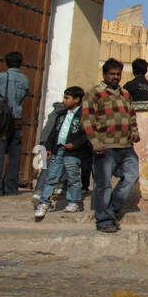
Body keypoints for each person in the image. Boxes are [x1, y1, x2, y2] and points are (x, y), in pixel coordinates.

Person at [82, 58, 141, 233]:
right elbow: (87, 120)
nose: (115, 77)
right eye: (112, 74)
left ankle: (111, 209)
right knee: (103, 183)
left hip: (125, 145)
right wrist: (95, 142)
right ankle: (104, 220)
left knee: (131, 175)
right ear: (105, 74)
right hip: (105, 145)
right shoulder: (94, 93)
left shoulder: (125, 94)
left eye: (118, 74)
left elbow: (131, 116)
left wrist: (134, 132)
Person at [34, 86, 92, 220]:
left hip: (73, 152)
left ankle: (74, 201)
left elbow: (87, 134)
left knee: (73, 177)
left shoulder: (84, 116)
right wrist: (48, 147)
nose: (64, 101)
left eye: (67, 98)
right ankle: (44, 202)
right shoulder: (62, 114)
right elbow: (54, 132)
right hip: (58, 149)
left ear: (77, 100)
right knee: (51, 176)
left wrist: (75, 144)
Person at [0, 50, 30, 197]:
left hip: (2, 120)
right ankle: (10, 187)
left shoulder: (1, 77)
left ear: (7, 62)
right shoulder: (25, 79)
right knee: (14, 154)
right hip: (16, 119)